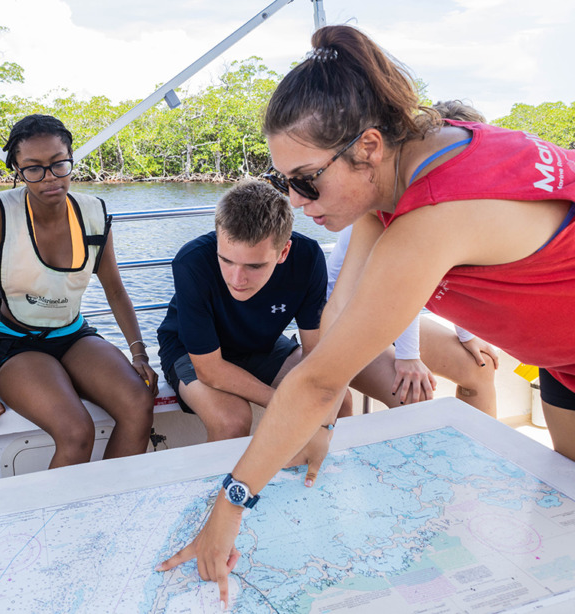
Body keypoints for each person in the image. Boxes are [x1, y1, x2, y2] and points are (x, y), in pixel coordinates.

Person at [158, 25, 575, 608]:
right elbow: (333, 328)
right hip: (561, 360)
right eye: (285, 182)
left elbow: (321, 376)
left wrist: (228, 508)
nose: (296, 203)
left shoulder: (435, 215)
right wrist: (321, 423)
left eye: (306, 182)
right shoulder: (393, 186)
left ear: (369, 146)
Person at [0, 114, 156, 469]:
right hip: (18, 343)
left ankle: (113, 503)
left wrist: (139, 353)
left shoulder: (94, 212)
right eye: (33, 169)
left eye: (58, 164)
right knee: (75, 430)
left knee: (139, 402)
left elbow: (114, 289)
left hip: (73, 335)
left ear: (71, 159)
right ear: (18, 171)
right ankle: (59, 523)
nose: (50, 178)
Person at [157, 179, 350, 442]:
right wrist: (283, 403)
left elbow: (315, 351)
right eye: (226, 260)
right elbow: (210, 370)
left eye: (254, 266)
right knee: (232, 420)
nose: (236, 279)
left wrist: (316, 398)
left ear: (283, 252)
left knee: (339, 402)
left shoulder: (308, 258)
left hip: (261, 346)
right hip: (191, 352)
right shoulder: (191, 261)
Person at [345, 100, 498, 413]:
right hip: (346, 317)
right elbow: (397, 288)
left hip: (390, 317)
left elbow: (457, 278)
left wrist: (467, 335)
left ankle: (479, 459)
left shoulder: (458, 204)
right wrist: (408, 356)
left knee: (480, 369)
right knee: (412, 393)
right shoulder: (402, 196)